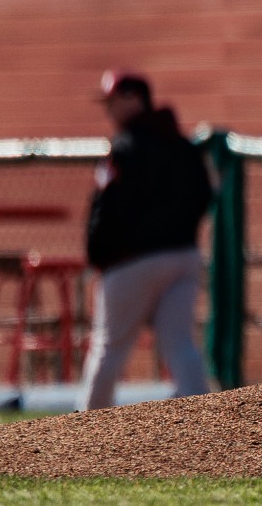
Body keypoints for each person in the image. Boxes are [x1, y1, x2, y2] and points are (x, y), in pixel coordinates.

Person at [81, 71, 215, 410]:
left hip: (132, 263)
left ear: (134, 100)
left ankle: (85, 428)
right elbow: (204, 195)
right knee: (180, 342)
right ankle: (205, 423)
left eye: (113, 102)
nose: (108, 110)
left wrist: (98, 255)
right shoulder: (182, 145)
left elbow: (105, 208)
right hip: (183, 257)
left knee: (109, 347)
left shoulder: (124, 147)